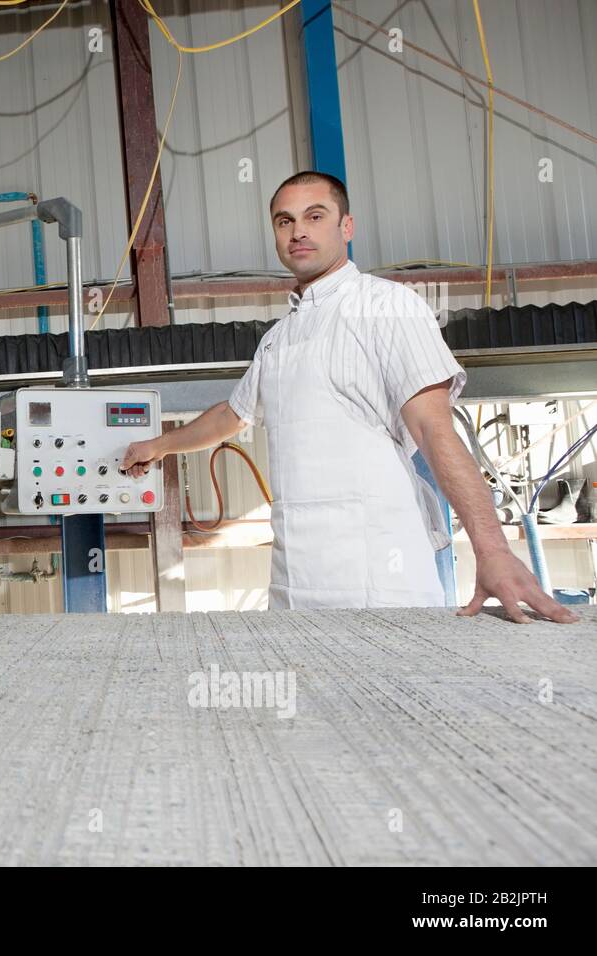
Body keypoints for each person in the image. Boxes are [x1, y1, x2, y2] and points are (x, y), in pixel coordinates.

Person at [121, 170, 577, 623]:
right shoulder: (278, 339)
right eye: (284, 221)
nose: (298, 231)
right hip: (293, 589)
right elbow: (233, 414)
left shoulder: (388, 306)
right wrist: (158, 446)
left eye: (314, 216)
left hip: (380, 584)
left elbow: (433, 427)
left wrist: (492, 550)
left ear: (347, 228)